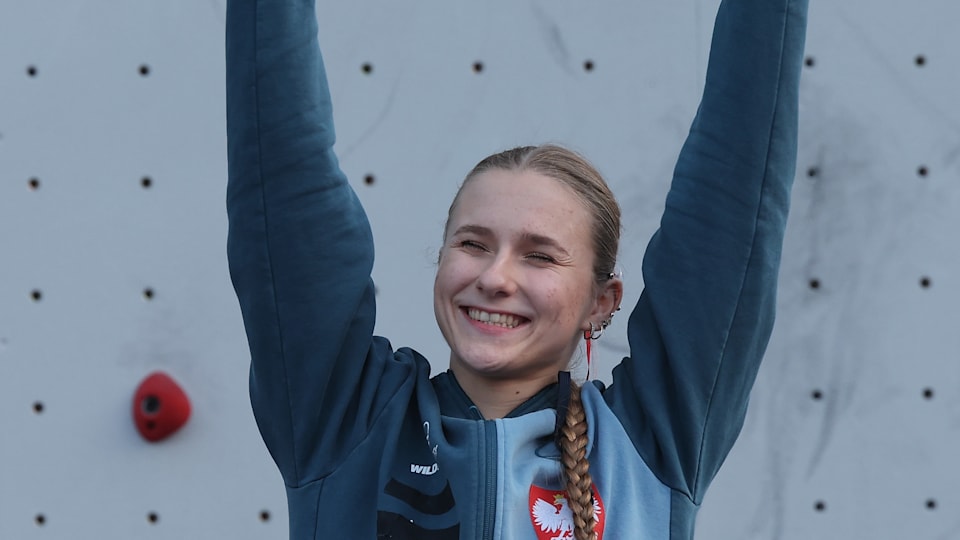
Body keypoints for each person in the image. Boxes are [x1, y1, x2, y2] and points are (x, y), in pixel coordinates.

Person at [225, 0, 809, 538]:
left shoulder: (651, 444)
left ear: (601, 301)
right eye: (473, 244)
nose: (496, 277)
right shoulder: (346, 421)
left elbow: (733, 199)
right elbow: (286, 187)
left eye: (539, 255)